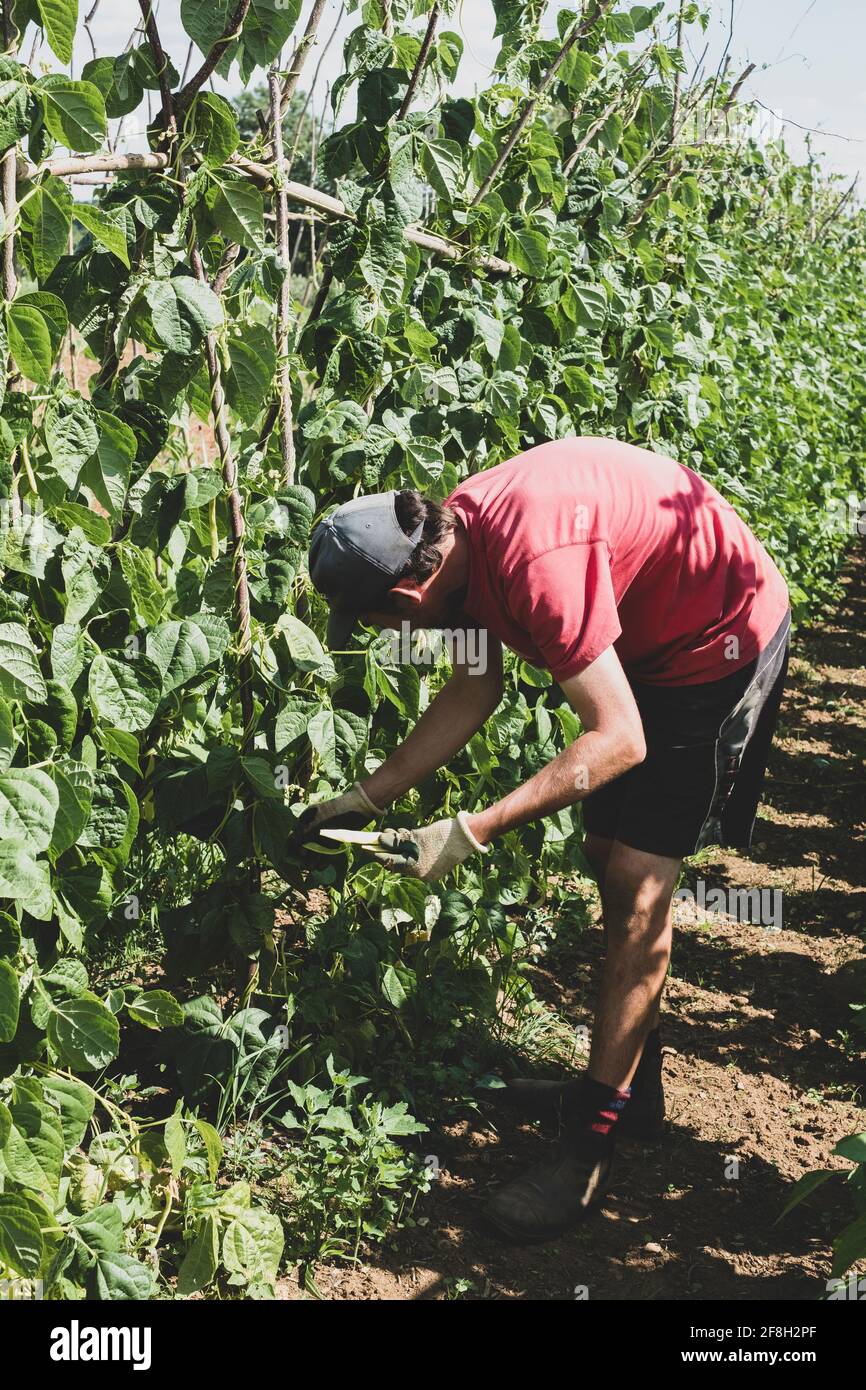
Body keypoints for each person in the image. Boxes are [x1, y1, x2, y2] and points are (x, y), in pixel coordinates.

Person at [300, 436, 791, 1244]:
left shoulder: (535, 567)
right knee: (604, 859)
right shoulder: (457, 553)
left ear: (410, 595)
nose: (385, 632)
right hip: (647, 646)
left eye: (378, 618)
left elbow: (620, 738)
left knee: (638, 886)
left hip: (717, 642)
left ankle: (586, 1154)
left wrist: (471, 832)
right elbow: (474, 687)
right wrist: (361, 798)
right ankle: (635, 1095)